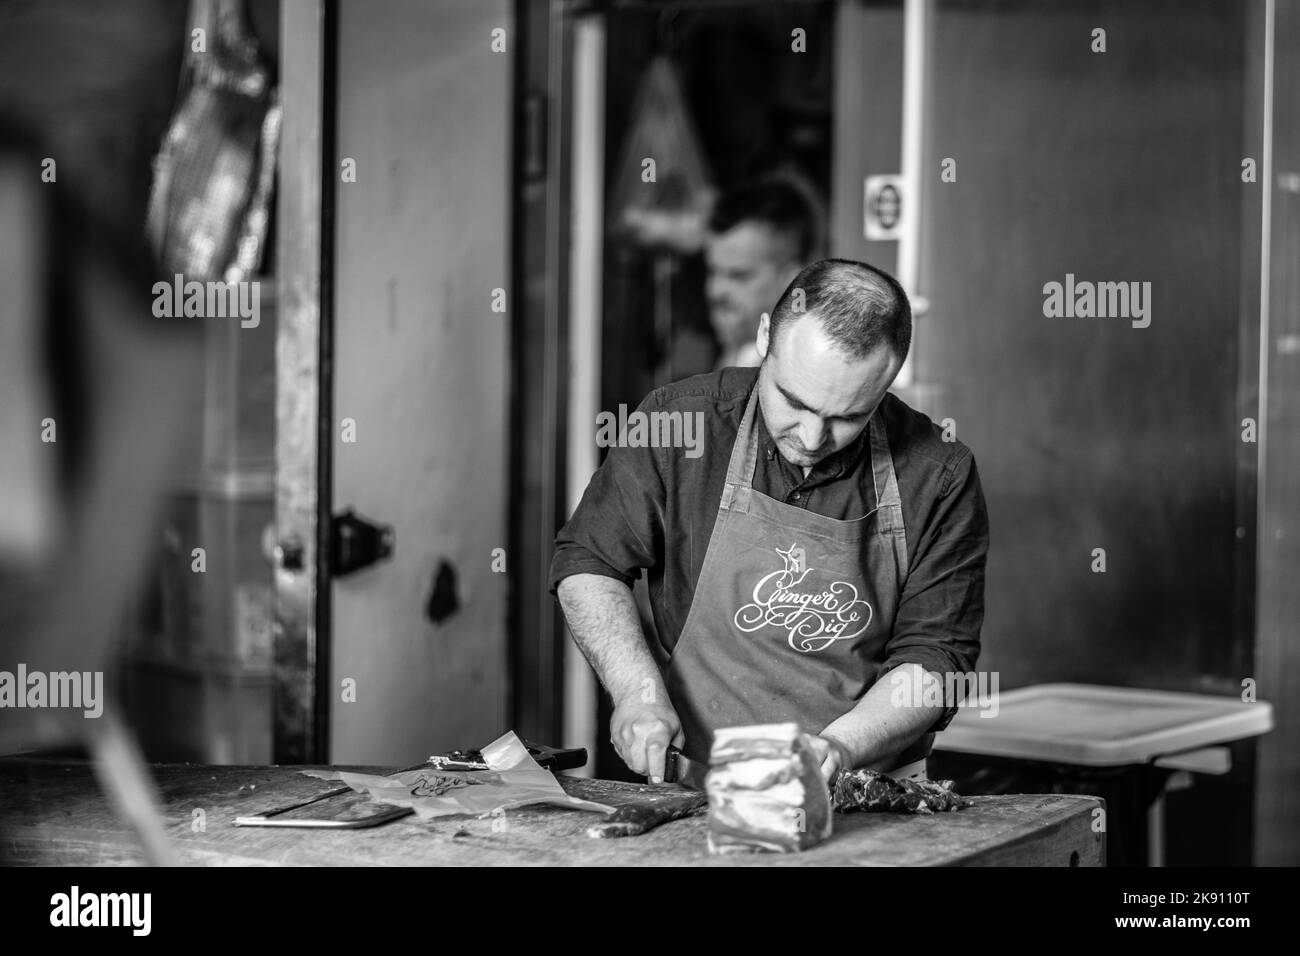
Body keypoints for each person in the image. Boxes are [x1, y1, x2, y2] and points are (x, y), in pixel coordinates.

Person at [550, 258, 988, 784]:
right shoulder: (680, 423)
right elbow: (590, 562)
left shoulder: (939, 473)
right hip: (701, 786)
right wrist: (636, 695)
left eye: (848, 416)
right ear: (764, 337)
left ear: (889, 381)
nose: (809, 437)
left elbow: (938, 657)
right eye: (794, 401)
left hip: (869, 794)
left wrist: (839, 750)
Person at [703, 178, 820, 369]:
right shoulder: (740, 356)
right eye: (712, 271)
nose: (715, 291)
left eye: (738, 276)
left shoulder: (809, 375)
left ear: (793, 279)